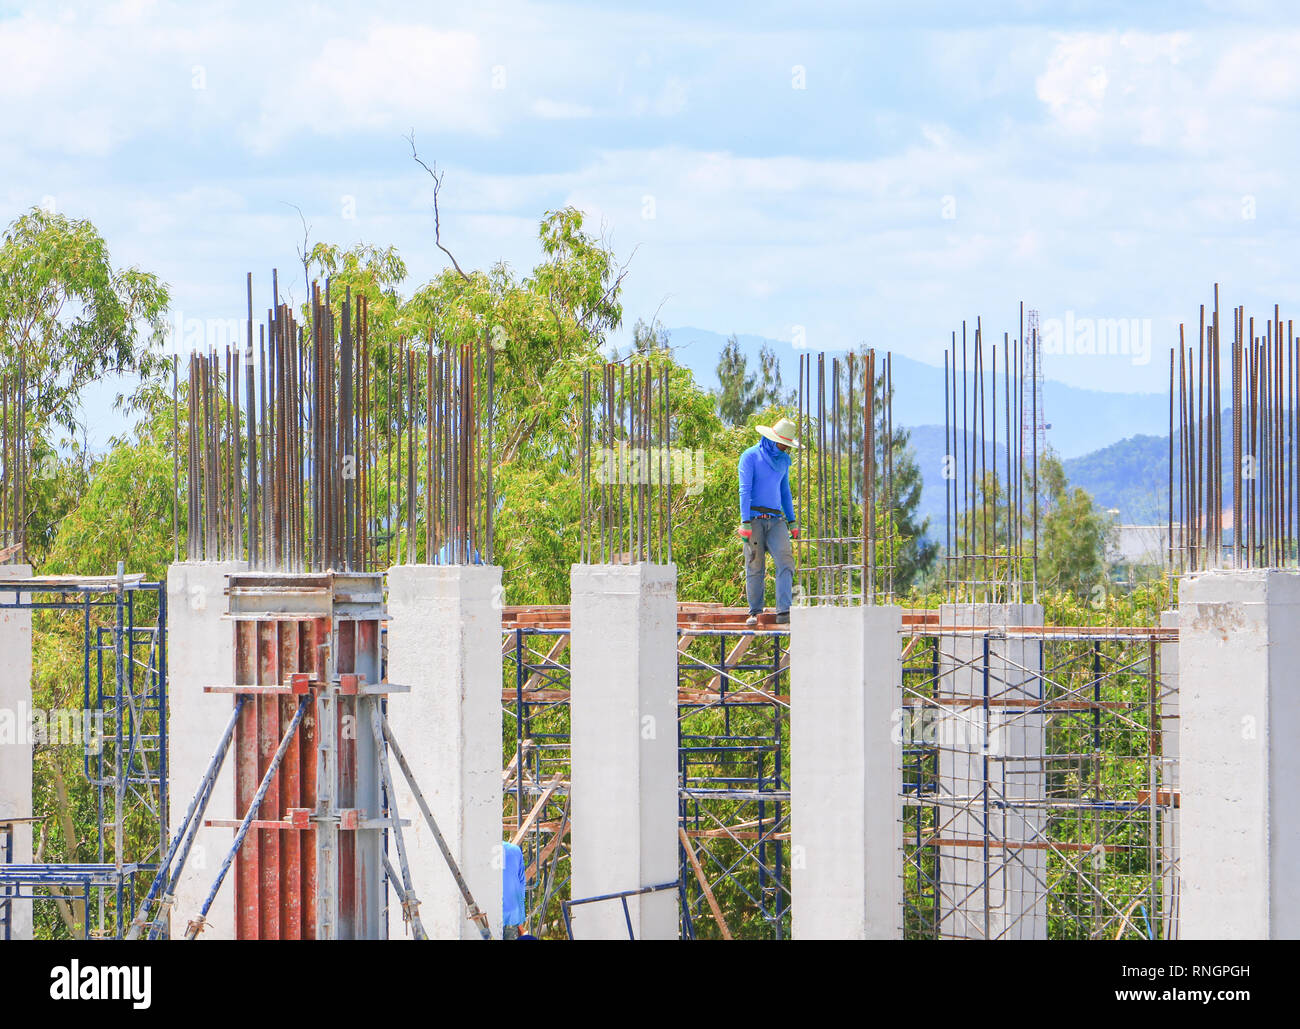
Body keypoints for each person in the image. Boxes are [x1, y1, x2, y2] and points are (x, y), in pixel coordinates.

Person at [737, 416, 800, 626]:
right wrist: (745, 521)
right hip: (754, 519)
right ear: (773, 439)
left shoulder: (783, 460)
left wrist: (792, 521)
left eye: (787, 445)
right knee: (755, 564)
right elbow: (744, 490)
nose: (785, 448)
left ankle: (784, 610)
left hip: (776, 519)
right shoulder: (750, 456)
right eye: (783, 443)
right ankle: (755, 611)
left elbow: (784, 491)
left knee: (785, 561)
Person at [501, 841, 526, 939]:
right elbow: (521, 883)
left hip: (490, 915)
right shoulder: (515, 850)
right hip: (512, 915)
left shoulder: (483, 849)